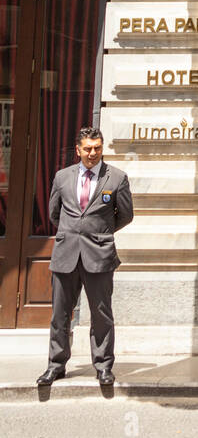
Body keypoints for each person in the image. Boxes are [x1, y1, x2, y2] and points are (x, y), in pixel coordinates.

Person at [36, 127, 134, 388]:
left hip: (99, 254)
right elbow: (54, 214)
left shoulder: (117, 178)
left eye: (98, 148)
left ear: (102, 148)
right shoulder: (61, 177)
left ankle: (103, 366)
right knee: (60, 314)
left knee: (101, 314)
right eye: (88, 148)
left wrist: (99, 232)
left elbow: (125, 215)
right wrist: (74, 233)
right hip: (66, 253)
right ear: (78, 150)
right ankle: (55, 366)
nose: (93, 153)